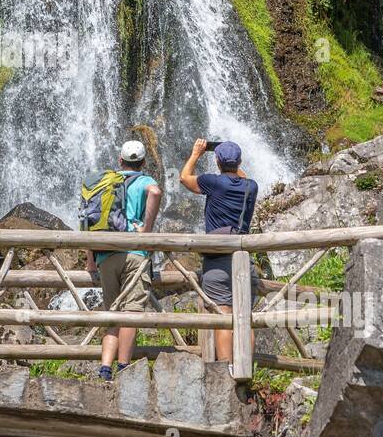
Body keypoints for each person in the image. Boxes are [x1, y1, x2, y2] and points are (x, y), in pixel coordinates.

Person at [84, 139, 162, 381]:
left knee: (113, 313)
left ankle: (105, 368)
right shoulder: (145, 181)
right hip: (134, 254)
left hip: (106, 254)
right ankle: (124, 367)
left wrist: (90, 260)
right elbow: (156, 192)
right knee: (130, 312)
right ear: (143, 162)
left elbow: (88, 221)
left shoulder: (105, 182)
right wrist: (146, 229)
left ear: (120, 161)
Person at [179, 138, 260, 363]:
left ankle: (225, 373)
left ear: (217, 162)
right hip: (244, 259)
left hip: (218, 261)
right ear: (240, 161)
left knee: (222, 316)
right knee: (244, 317)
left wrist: (196, 153)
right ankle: (246, 370)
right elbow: (240, 175)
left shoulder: (213, 183)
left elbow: (184, 177)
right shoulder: (251, 186)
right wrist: (232, 161)